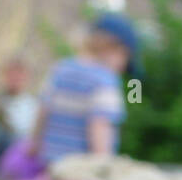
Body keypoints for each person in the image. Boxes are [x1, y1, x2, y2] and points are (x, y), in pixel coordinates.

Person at [29, 13, 139, 164]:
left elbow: (42, 113)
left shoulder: (60, 69)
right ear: (113, 48)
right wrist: (103, 166)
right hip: (80, 174)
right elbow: (99, 126)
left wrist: (33, 146)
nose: (122, 70)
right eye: (125, 60)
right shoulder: (105, 81)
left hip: (49, 166)